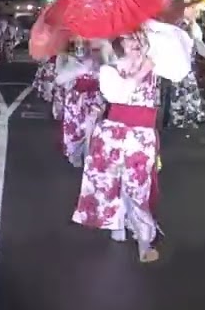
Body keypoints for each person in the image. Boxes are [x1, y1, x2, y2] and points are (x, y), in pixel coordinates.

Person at [71, 22, 190, 263]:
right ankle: (117, 224)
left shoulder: (157, 69)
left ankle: (145, 241)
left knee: (137, 189)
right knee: (111, 186)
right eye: (129, 39)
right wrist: (141, 71)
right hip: (112, 136)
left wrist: (155, 26)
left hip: (142, 137)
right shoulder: (109, 70)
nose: (135, 43)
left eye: (139, 38)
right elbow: (117, 95)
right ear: (120, 43)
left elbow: (181, 67)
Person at [54, 40, 104, 168]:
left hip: (93, 98)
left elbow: (106, 75)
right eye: (77, 42)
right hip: (75, 99)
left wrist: (95, 71)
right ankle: (75, 153)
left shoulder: (99, 55)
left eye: (83, 42)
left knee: (91, 128)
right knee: (75, 129)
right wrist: (78, 70)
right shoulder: (66, 57)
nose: (80, 45)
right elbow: (59, 79)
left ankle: (89, 155)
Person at [169, 3, 205, 130]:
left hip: (184, 63)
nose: (195, 11)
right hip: (182, 63)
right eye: (192, 9)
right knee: (186, 89)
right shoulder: (181, 25)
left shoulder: (189, 25)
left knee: (182, 90)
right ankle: (188, 116)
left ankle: (181, 117)